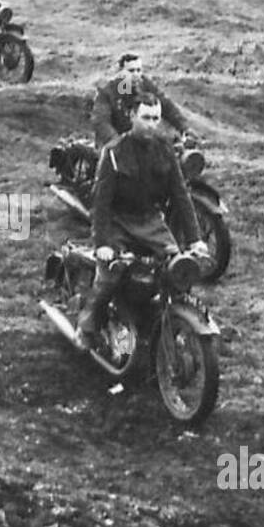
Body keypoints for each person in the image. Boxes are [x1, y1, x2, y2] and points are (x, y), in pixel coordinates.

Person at [75, 97, 209, 345]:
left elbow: (181, 196)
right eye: (146, 118)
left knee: (179, 270)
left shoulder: (165, 150)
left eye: (156, 118)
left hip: (150, 222)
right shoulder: (114, 152)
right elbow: (101, 204)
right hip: (118, 222)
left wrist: (195, 240)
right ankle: (88, 327)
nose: (151, 124)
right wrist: (103, 243)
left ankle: (170, 322)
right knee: (109, 276)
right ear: (133, 117)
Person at [91, 53, 195, 147]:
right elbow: (100, 122)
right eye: (131, 71)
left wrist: (184, 128)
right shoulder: (107, 92)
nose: (136, 74)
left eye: (139, 70)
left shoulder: (145, 84)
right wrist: (118, 142)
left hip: (141, 138)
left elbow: (166, 105)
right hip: (114, 143)